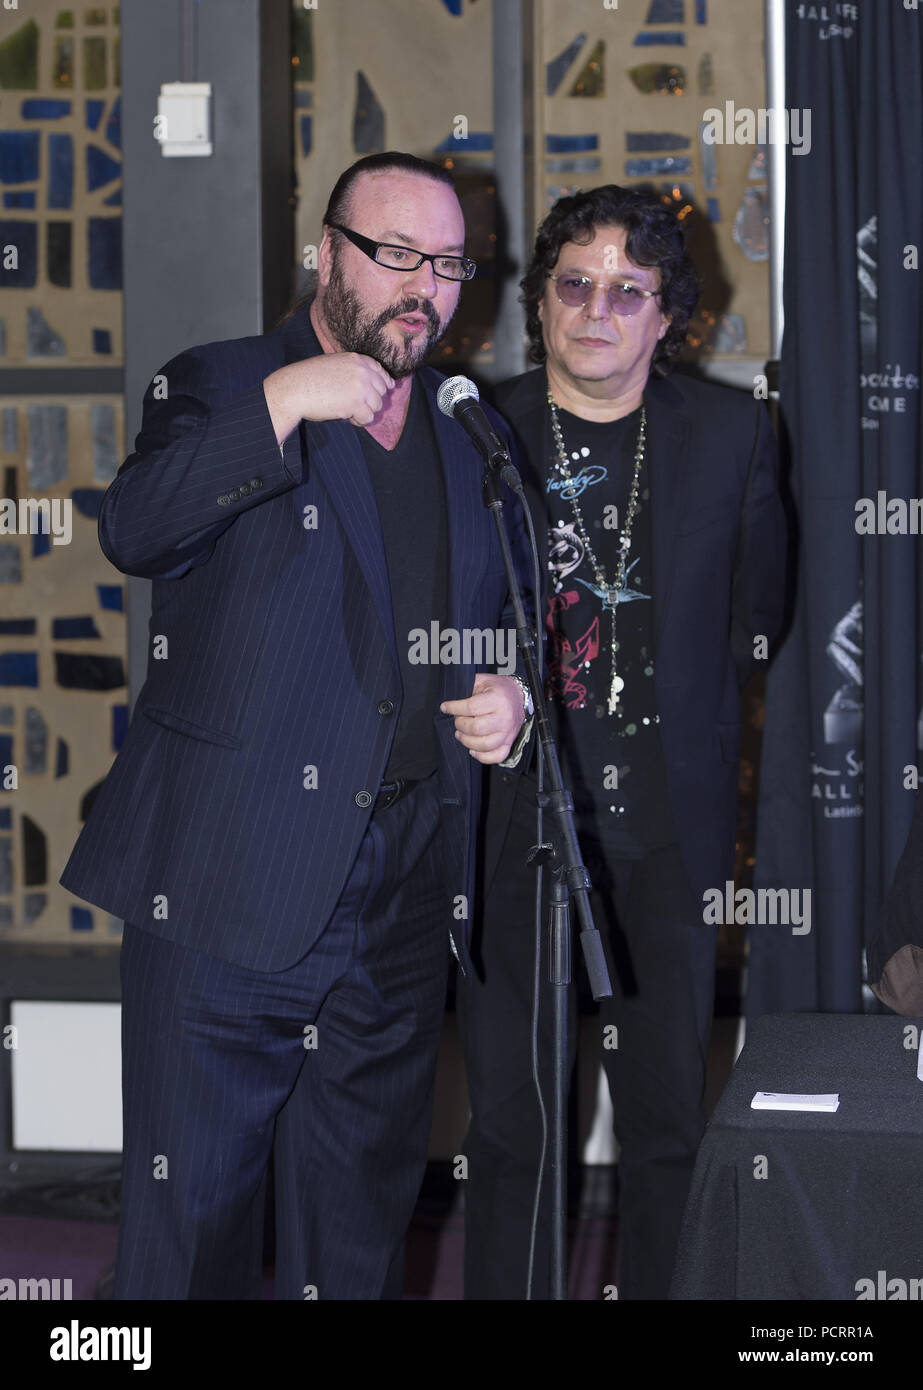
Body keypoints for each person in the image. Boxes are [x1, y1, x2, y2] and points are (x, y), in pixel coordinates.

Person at [60, 152, 534, 1300]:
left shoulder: (470, 430)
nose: (424, 287)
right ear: (326, 254)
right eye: (396, 257)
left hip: (403, 896)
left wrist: (511, 700)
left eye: (450, 266)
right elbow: (135, 529)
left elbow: (498, 615)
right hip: (228, 878)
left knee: (359, 1232)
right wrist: (284, 403)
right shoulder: (218, 381)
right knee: (188, 1242)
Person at [458, 184, 787, 1300]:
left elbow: (761, 612)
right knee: (513, 1132)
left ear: (666, 316)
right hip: (510, 836)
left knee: (663, 1130)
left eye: (627, 291)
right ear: (539, 302)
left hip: (667, 837)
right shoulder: (474, 437)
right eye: (573, 284)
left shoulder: (736, 435)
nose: (596, 309)